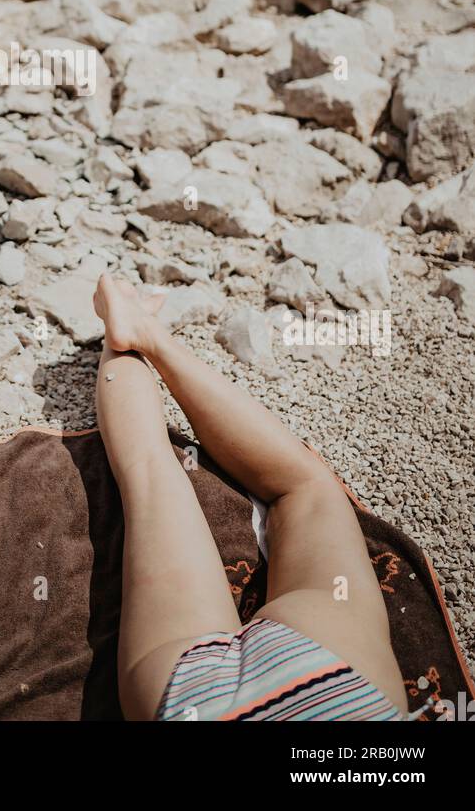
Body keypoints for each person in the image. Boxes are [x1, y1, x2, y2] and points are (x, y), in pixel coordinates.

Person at [92, 273, 418, 722]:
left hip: (334, 683)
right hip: (197, 702)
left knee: (302, 489)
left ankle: (145, 335)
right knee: (149, 475)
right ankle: (135, 332)